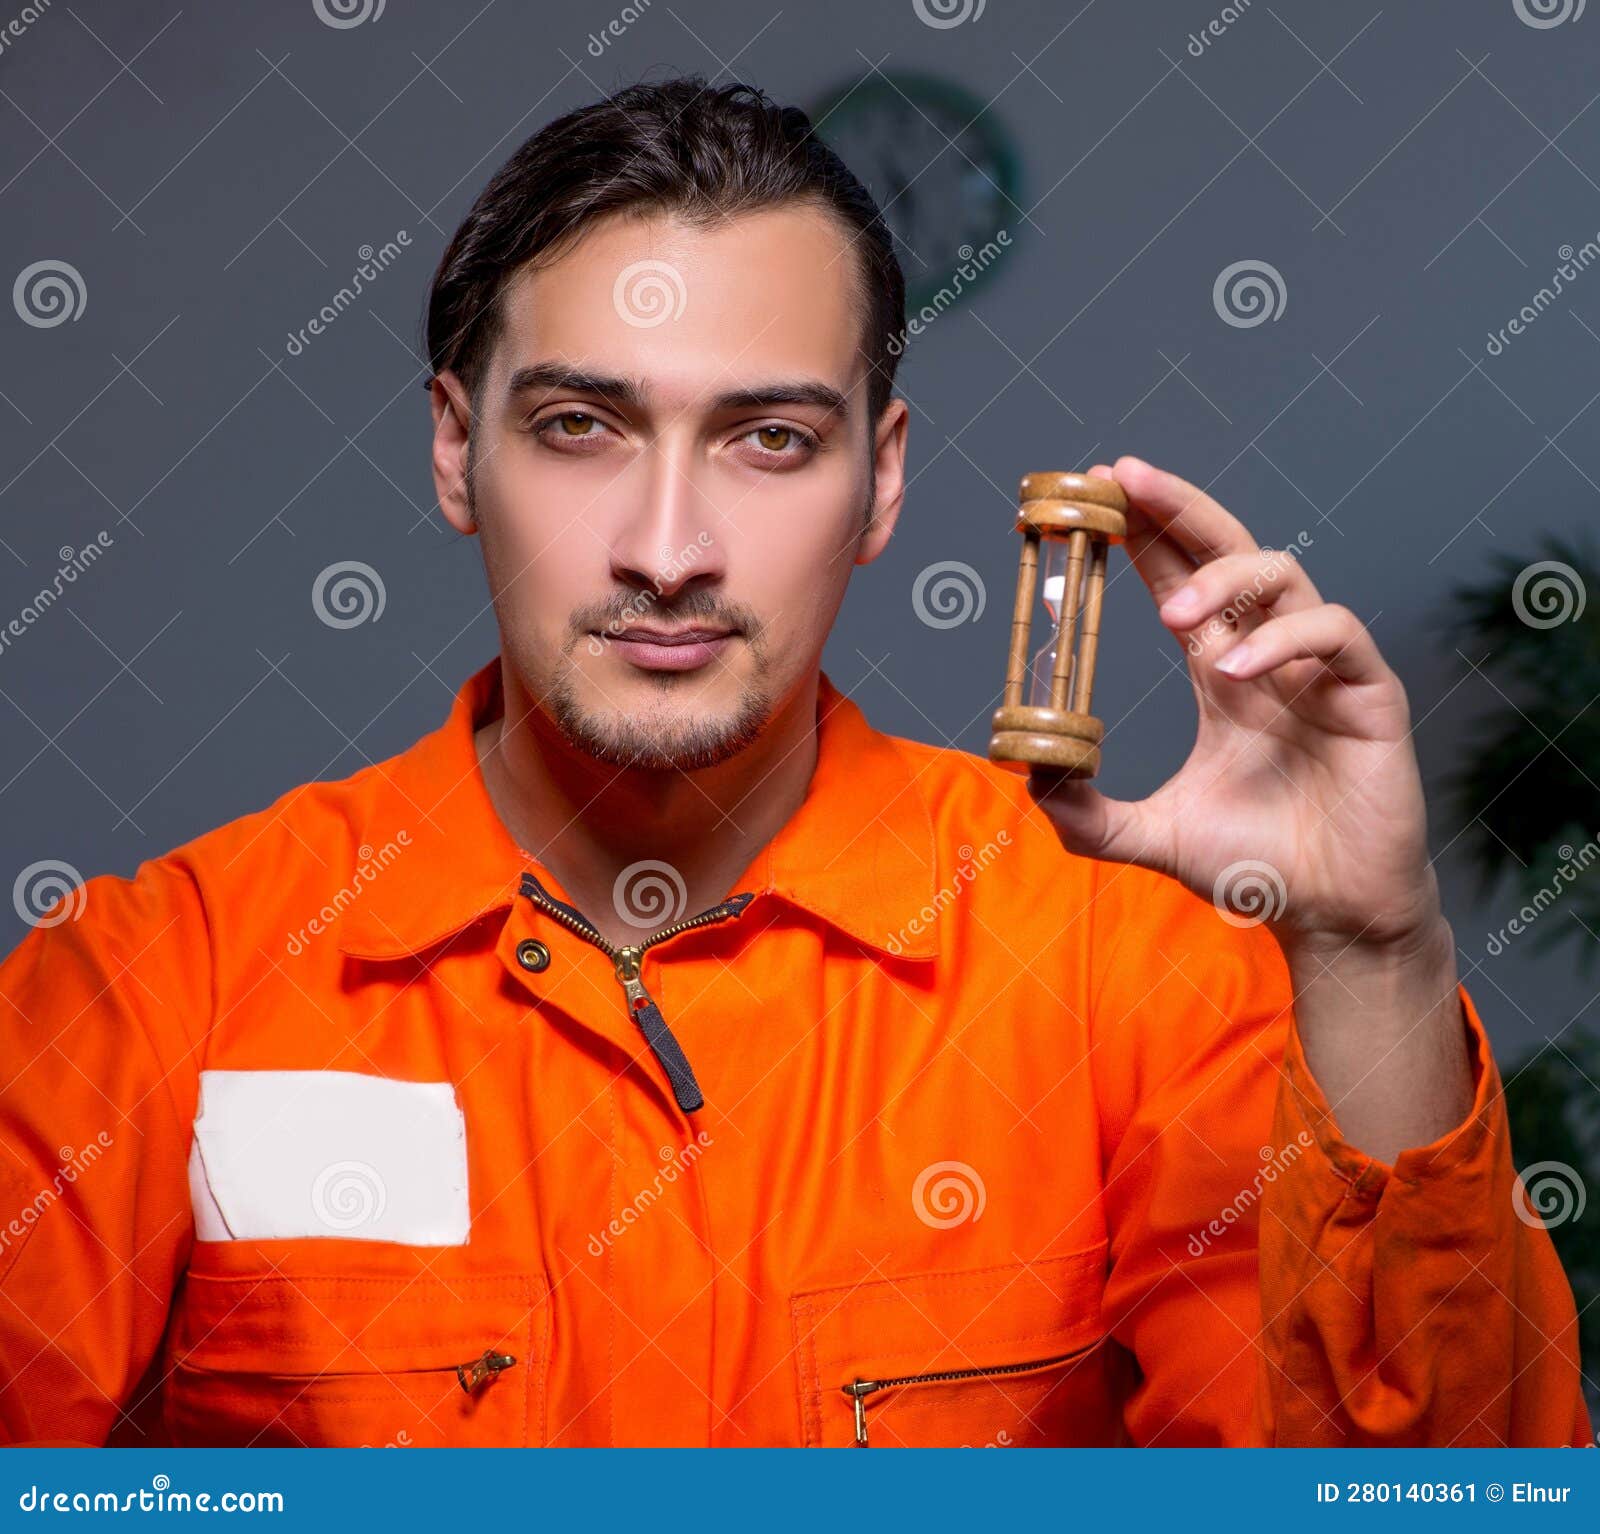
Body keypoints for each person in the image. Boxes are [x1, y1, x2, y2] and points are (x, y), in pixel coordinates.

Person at [0, 75, 1588, 1449]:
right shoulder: (164, 981)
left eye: (770, 438)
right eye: (580, 426)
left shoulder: (1132, 964)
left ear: (880, 483)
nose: (669, 549)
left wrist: (1373, 955)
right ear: (452, 450)